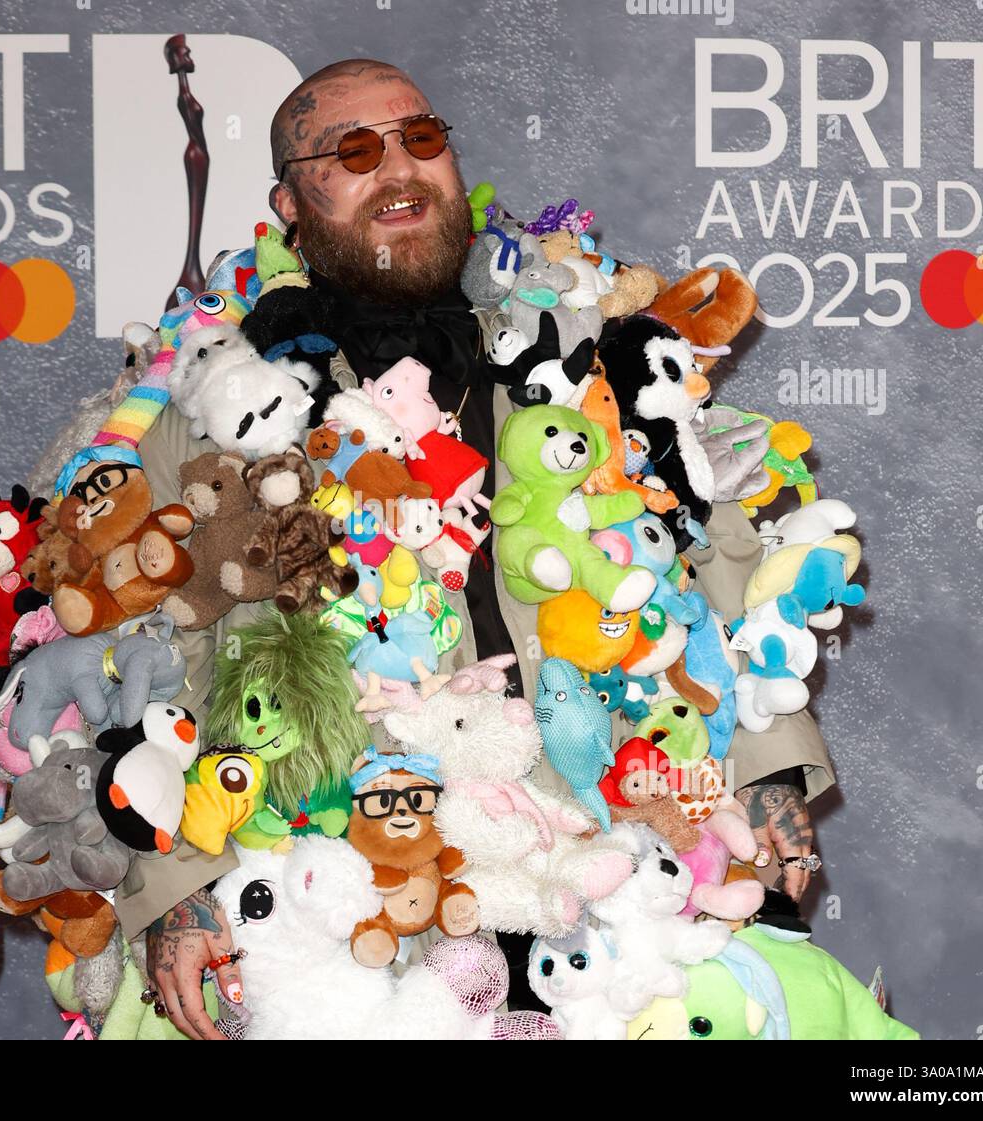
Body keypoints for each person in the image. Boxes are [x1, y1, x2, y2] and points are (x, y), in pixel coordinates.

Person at [46, 58, 830, 1040]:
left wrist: (767, 783)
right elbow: (142, 664)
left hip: (601, 899)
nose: (399, 169)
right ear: (291, 202)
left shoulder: (575, 354)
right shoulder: (209, 410)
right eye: (353, 151)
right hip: (348, 920)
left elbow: (707, 545)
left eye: (420, 139)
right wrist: (173, 889)